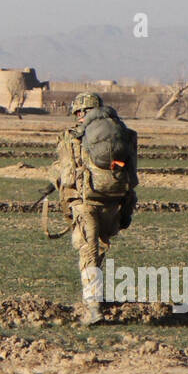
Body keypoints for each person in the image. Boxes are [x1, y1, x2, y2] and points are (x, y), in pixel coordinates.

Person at [50, 92, 139, 325]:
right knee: (98, 249)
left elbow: (66, 174)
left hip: (85, 201)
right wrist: (127, 209)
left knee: (87, 252)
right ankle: (96, 298)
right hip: (113, 202)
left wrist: (65, 204)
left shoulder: (71, 137)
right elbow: (132, 176)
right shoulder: (124, 135)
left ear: (79, 112)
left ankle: (93, 307)